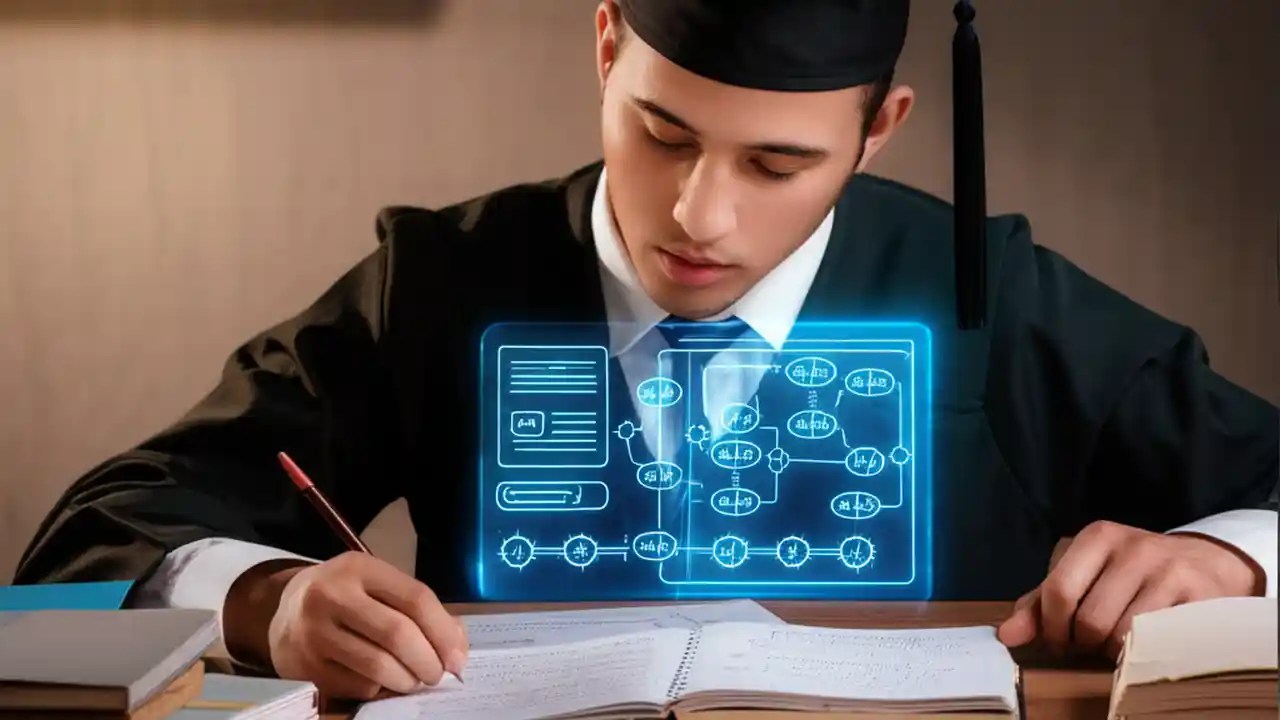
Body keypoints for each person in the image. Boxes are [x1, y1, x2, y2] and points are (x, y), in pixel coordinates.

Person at [14, 0, 1278, 702]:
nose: (698, 217)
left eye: (778, 163)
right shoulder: (448, 281)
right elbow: (95, 531)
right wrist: (270, 600)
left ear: (878, 128)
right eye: (663, 134)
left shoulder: (988, 292)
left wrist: (1221, 558)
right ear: (605, 44)